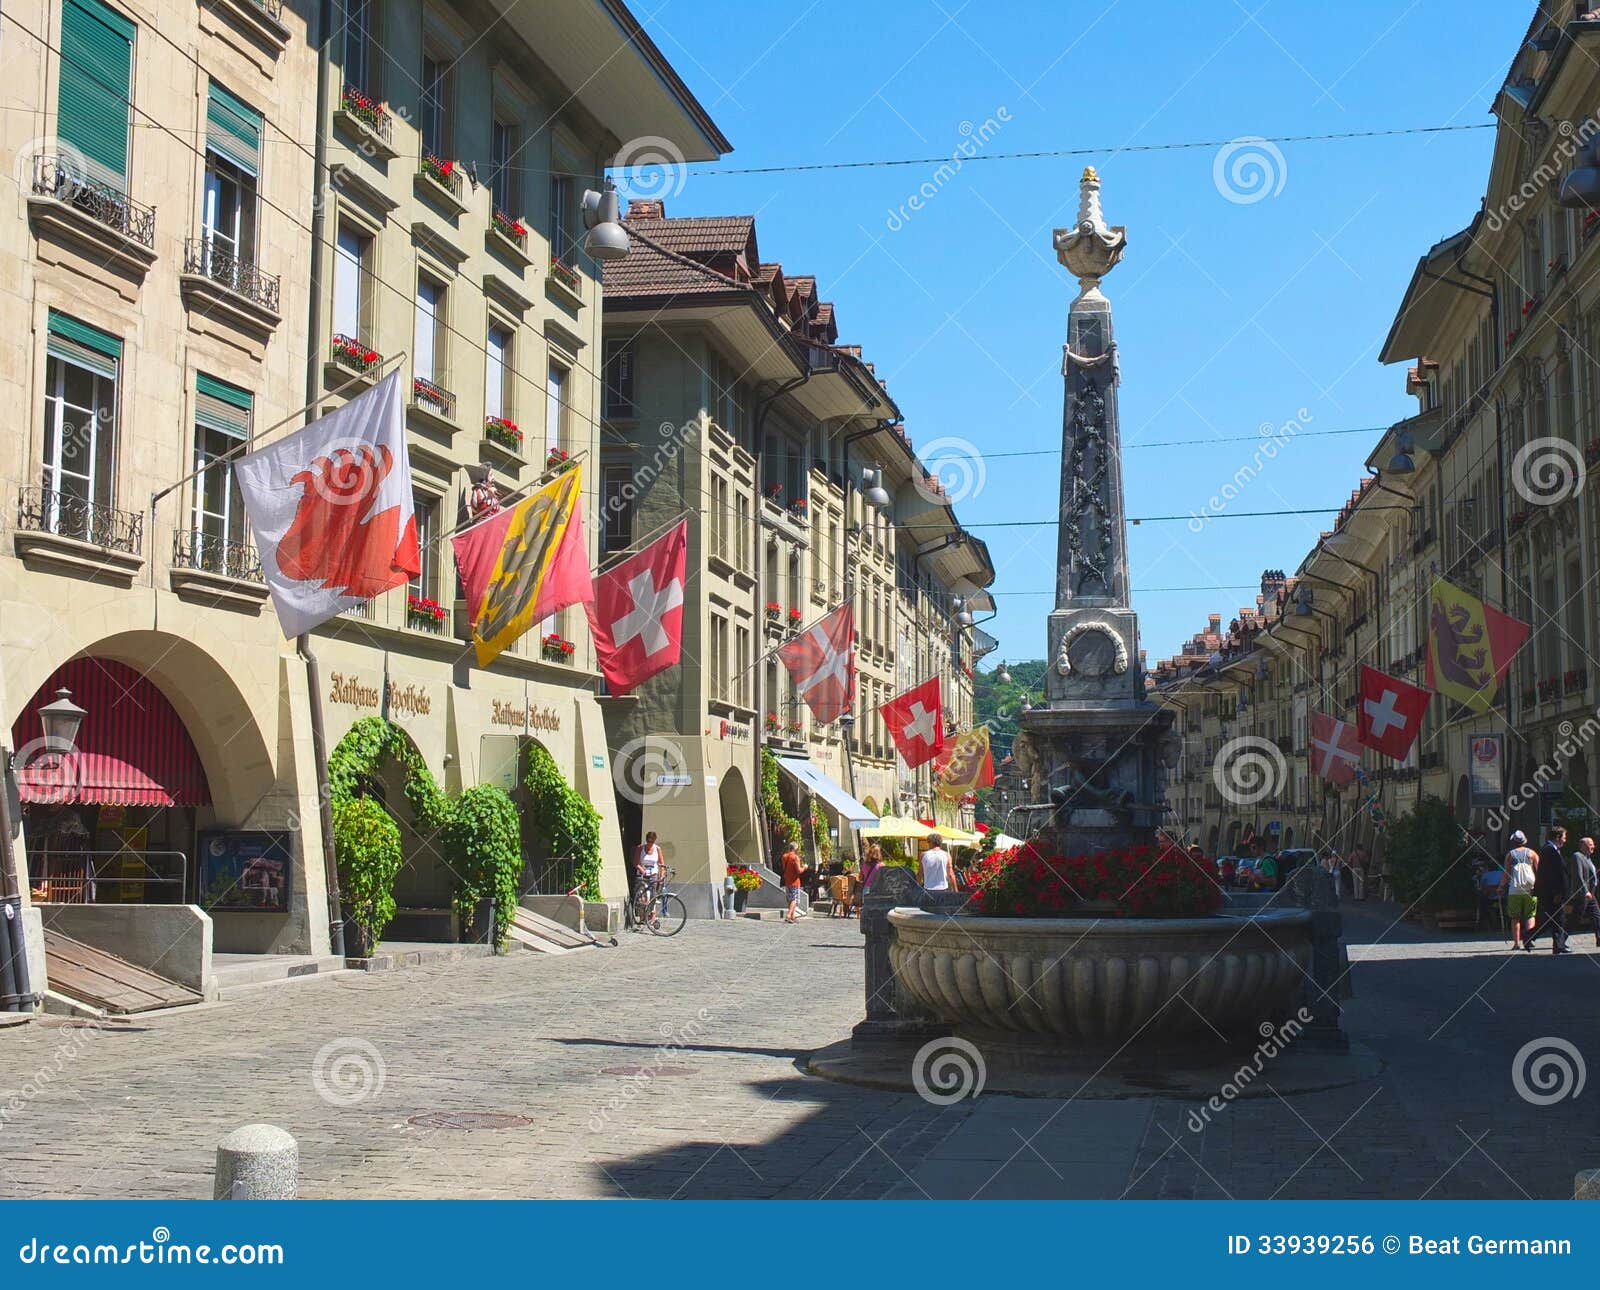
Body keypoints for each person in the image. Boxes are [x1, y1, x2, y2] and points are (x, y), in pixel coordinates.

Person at [1525, 825, 1574, 954]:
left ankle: (1559, 945)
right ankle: (1530, 937)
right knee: (1551, 919)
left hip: (1552, 892)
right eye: (1564, 837)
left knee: (1557, 919)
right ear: (1557, 837)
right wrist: (1556, 892)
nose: (1565, 840)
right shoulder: (1549, 850)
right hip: (1551, 893)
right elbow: (1551, 874)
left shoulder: (1552, 850)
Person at [1498, 829, 1539, 952]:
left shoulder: (1510, 855)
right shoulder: (1532, 853)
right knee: (1530, 915)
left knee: (1515, 917)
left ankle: (1516, 943)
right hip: (1530, 889)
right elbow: (1540, 871)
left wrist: (1500, 887)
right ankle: (1529, 940)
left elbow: (1506, 874)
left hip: (1514, 890)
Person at [634, 831, 665, 929]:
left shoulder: (657, 849)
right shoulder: (640, 848)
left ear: (654, 840)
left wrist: (662, 875)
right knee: (642, 897)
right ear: (646, 840)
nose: (650, 843)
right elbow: (636, 863)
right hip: (643, 875)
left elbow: (661, 863)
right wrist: (643, 870)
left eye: (652, 841)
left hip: (653, 875)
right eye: (648, 841)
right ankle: (642, 918)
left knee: (653, 896)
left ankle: (653, 917)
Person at [1574, 836, 1600, 947]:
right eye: (1590, 845)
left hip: (1591, 894)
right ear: (1583, 846)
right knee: (1574, 919)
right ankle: (1559, 941)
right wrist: (1585, 891)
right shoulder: (1578, 856)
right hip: (1583, 894)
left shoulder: (1588, 858)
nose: (1593, 846)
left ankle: (1599, 938)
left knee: (1597, 915)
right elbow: (1579, 876)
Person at [780, 843, 805, 924]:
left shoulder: (784, 856)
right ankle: (788, 915)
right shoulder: (795, 857)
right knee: (794, 900)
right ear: (795, 849)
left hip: (787, 880)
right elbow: (799, 871)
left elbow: (784, 868)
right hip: (795, 881)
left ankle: (792, 917)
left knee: (790, 899)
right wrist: (805, 867)